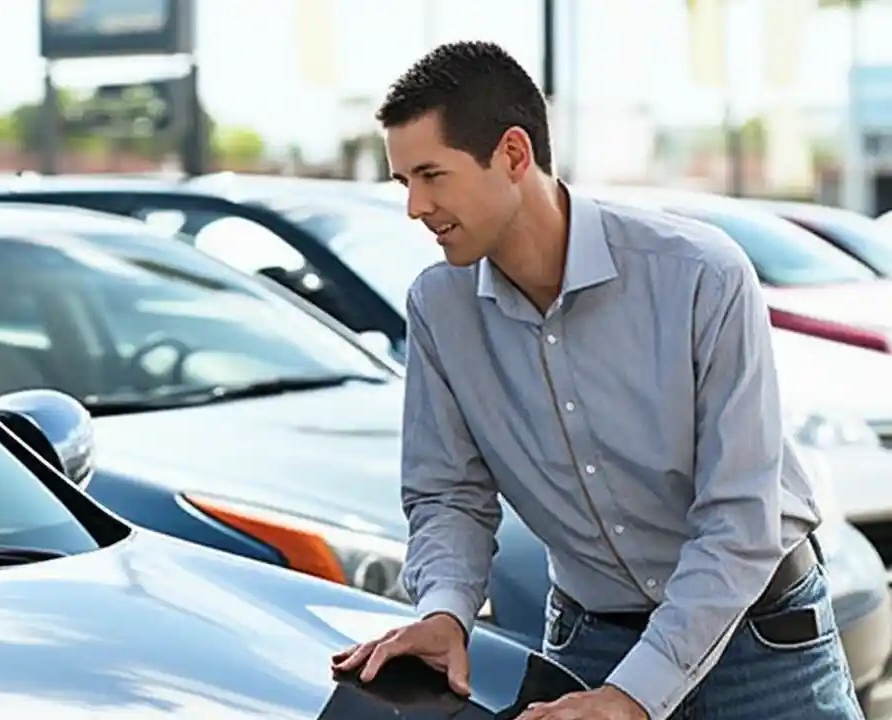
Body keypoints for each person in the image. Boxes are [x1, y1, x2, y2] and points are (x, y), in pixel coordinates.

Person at [329, 41, 863, 720]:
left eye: (432, 175)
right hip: (589, 647)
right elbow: (449, 494)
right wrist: (445, 611)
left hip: (760, 649)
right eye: (404, 182)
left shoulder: (700, 275)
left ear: (514, 155)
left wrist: (634, 695)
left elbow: (739, 516)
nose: (414, 206)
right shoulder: (439, 307)